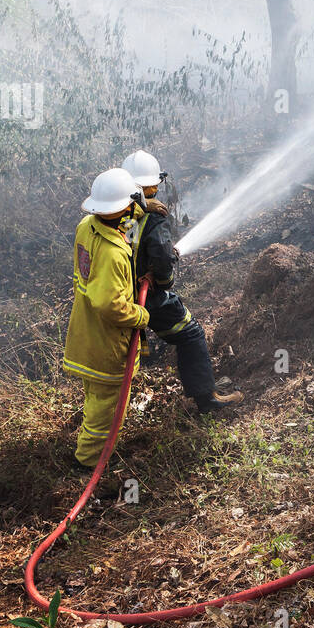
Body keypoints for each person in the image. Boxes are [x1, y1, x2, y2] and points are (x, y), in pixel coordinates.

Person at [120, 149, 244, 415]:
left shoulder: (115, 210)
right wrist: (165, 280)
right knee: (191, 334)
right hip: (146, 297)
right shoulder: (155, 217)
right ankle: (206, 400)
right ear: (154, 184)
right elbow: (163, 259)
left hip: (118, 292)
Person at [62, 168, 151, 469]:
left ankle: (93, 448)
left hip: (85, 334)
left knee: (96, 398)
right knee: (108, 409)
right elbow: (110, 305)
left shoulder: (87, 226)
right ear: (125, 206)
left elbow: (126, 231)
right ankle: (88, 464)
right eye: (133, 203)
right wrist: (140, 314)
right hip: (106, 344)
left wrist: (143, 209)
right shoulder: (113, 253)